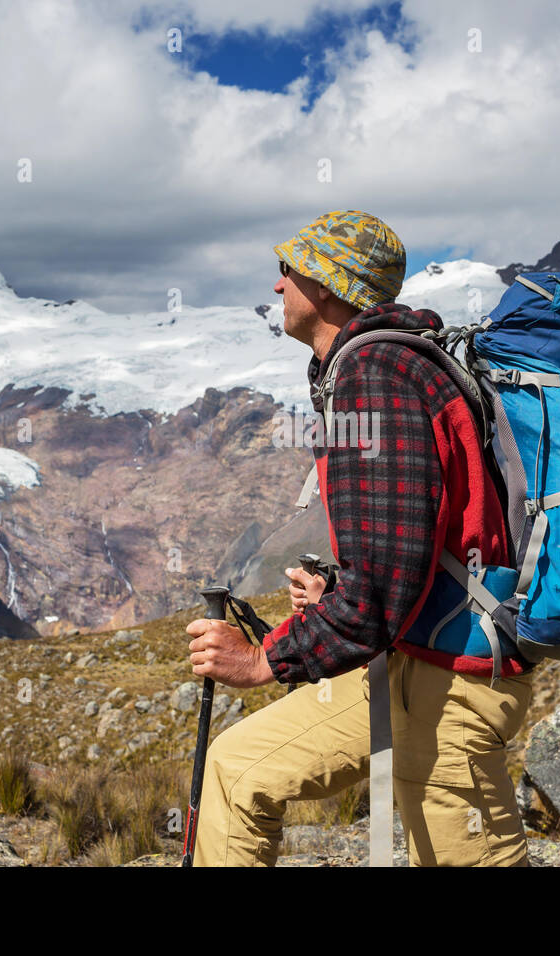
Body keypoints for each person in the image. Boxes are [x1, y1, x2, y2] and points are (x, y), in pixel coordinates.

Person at [185, 209, 534, 866]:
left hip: (453, 683)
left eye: (288, 270)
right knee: (238, 770)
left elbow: (381, 588)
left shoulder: (375, 376)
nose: (278, 284)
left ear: (324, 284)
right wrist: (337, 590)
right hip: (407, 659)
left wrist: (262, 660)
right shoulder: (381, 367)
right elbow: (404, 556)